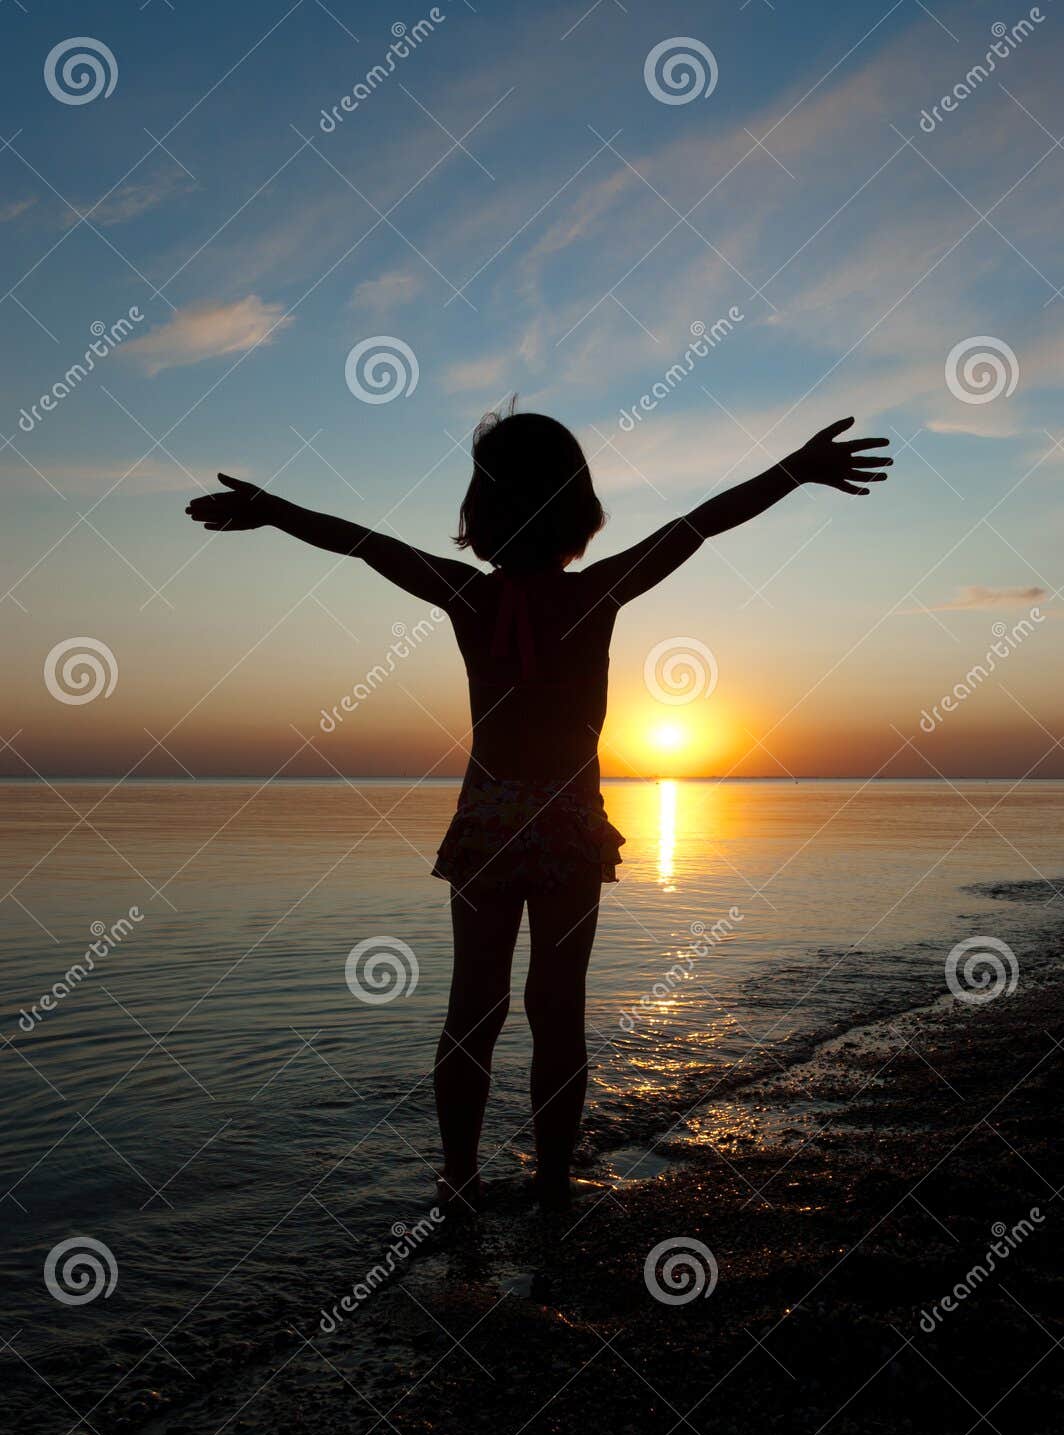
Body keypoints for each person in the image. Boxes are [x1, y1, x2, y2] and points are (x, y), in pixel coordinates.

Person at [186, 407, 890, 1212]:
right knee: (557, 1010)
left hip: (487, 826)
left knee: (472, 1011)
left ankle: (459, 1179)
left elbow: (365, 544)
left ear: (479, 518)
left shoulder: (466, 595)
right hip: (565, 826)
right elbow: (695, 526)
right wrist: (794, 471)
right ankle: (553, 1180)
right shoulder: (596, 592)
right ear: (578, 515)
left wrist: (273, 510)